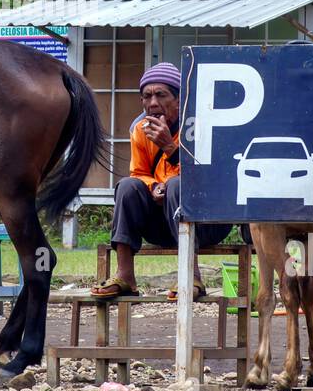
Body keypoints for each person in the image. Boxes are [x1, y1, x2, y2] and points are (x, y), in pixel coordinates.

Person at [91, 62, 233, 300]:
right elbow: (139, 173)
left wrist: (169, 146)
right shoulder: (140, 129)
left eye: (161, 95)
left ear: (179, 100)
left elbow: (208, 177)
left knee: (178, 184)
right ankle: (125, 275)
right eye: (147, 96)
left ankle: (192, 276)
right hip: (162, 224)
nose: (153, 103)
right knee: (127, 186)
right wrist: (154, 186)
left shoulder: (201, 125)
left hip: (206, 221)